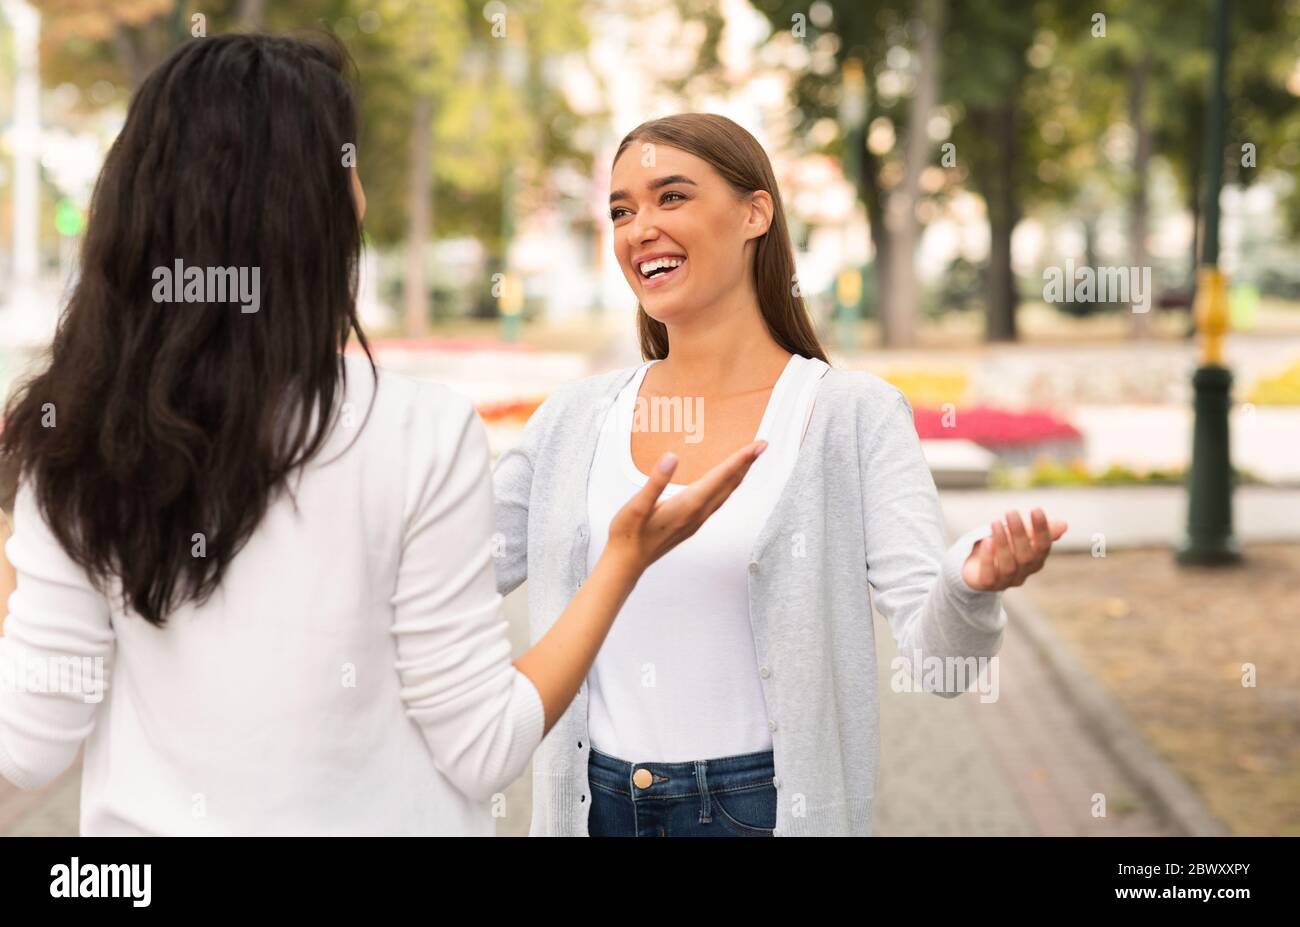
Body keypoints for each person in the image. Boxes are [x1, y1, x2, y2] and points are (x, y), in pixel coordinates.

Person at [0, 35, 762, 836]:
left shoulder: (77, 439)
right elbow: (483, 745)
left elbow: (29, 739)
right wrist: (623, 560)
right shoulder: (419, 431)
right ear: (312, 208)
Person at [493, 113, 1068, 837]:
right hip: (594, 809)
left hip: (761, 813)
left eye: (671, 197)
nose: (639, 228)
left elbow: (939, 661)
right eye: (621, 209)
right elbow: (442, 568)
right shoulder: (571, 422)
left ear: (754, 212)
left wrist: (971, 586)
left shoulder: (849, 417)